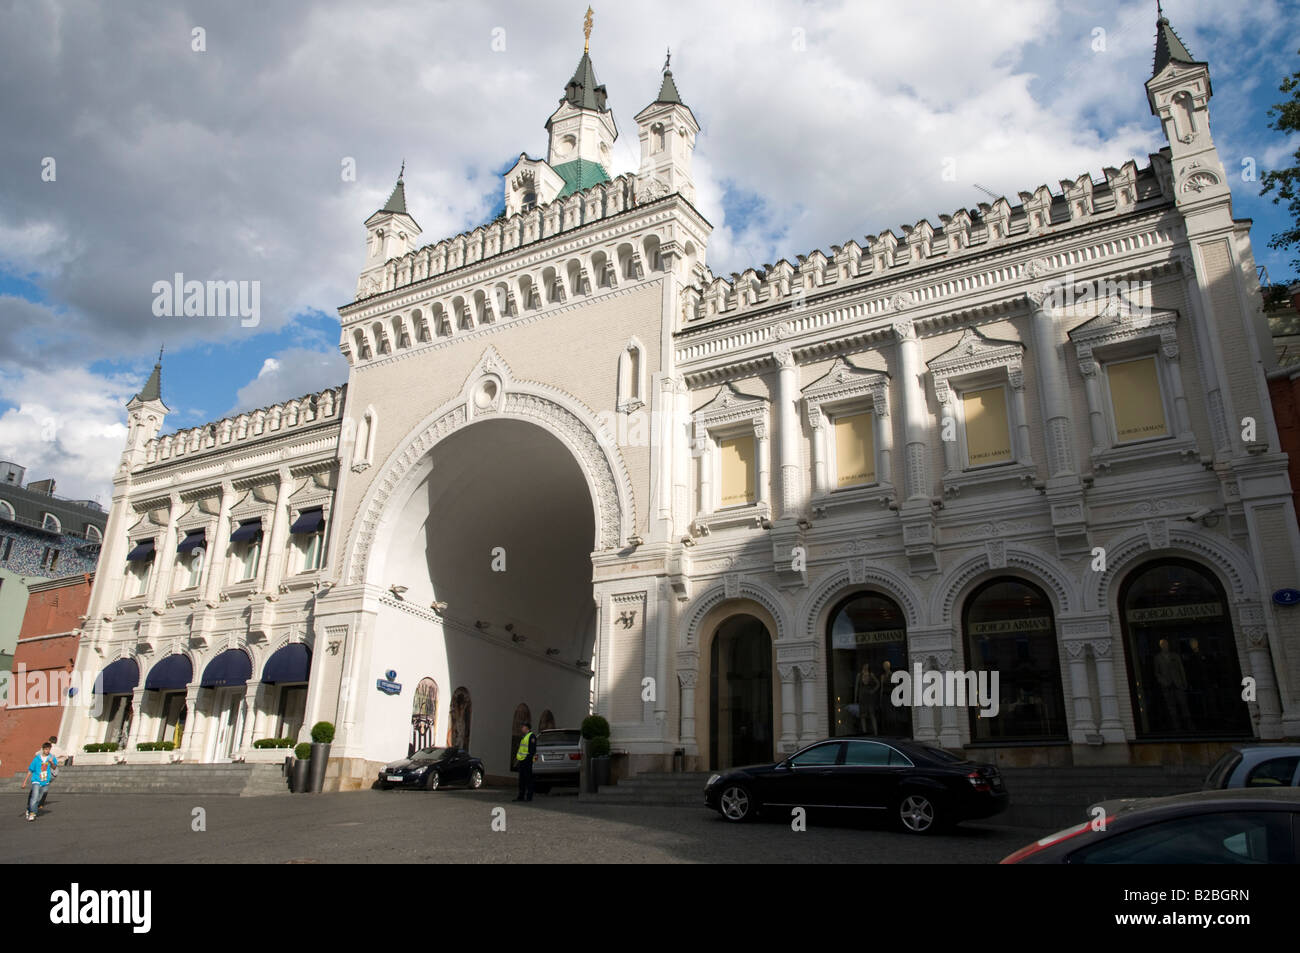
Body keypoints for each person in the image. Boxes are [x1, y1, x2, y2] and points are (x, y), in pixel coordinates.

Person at [22, 742, 57, 821]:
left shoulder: (51, 757)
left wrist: (51, 762)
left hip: (45, 781)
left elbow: (54, 767)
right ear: (43, 749)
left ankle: (29, 808)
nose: (47, 751)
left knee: (39, 799)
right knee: (34, 797)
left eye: (49, 749)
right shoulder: (37, 759)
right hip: (36, 780)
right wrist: (25, 782)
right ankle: (32, 814)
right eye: (46, 749)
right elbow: (30, 770)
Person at [514, 720, 537, 802]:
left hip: (527, 761)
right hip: (522, 760)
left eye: (523, 727)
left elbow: (532, 750)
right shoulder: (525, 736)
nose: (521, 728)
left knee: (528, 779)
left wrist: (528, 759)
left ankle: (529, 797)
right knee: (522, 780)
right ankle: (521, 796)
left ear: (527, 728)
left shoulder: (532, 736)